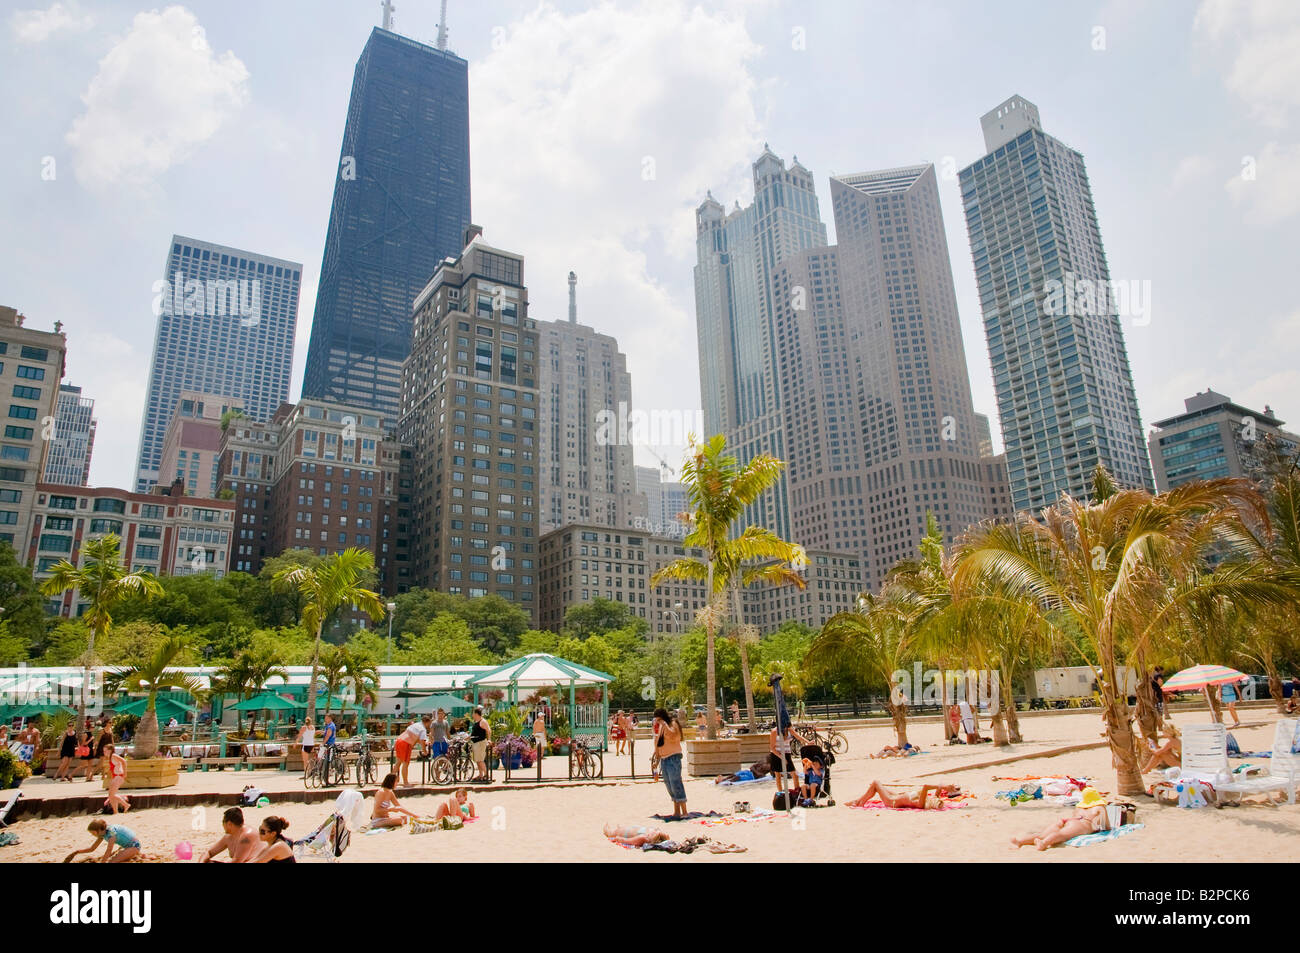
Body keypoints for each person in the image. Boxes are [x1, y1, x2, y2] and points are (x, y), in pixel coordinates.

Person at [1010, 799, 1109, 851]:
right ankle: (1043, 844)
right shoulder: (1099, 807)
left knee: (1042, 834)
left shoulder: (1080, 806)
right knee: (1062, 835)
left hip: (1068, 820)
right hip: (1080, 824)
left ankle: (1020, 841)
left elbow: (1074, 816)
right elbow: (1106, 826)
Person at [654, 707, 687, 817]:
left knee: (676, 783)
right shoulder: (661, 727)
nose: (657, 722)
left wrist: (665, 725)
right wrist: (656, 759)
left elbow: (674, 736)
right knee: (670, 785)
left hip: (673, 758)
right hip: (664, 759)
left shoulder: (672, 724)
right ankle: (676, 811)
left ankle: (684, 811)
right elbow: (659, 743)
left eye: (659, 720)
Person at [65, 819, 141, 863]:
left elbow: (109, 850)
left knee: (112, 862)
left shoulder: (111, 832)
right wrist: (77, 852)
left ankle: (136, 853)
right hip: (127, 847)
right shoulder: (102, 834)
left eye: (93, 833)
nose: (93, 835)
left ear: (99, 830)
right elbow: (92, 848)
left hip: (134, 846)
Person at [847, 781, 962, 810]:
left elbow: (926, 786)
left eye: (935, 799)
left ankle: (860, 802)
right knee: (876, 786)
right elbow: (939, 787)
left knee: (876, 783)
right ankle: (858, 801)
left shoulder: (921, 803)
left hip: (891, 801)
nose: (935, 798)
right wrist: (947, 786)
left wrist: (942, 786)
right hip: (896, 796)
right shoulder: (930, 799)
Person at [394, 715, 432, 787]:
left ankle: (390, 782)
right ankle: (405, 783)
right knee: (405, 763)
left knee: (398, 763)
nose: (429, 725)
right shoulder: (423, 729)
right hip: (406, 743)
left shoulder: (416, 725)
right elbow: (422, 741)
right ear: (427, 722)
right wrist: (425, 751)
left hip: (399, 740)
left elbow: (415, 737)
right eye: (429, 723)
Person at [103, 743, 130, 814]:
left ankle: (126, 805)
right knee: (111, 795)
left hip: (119, 776)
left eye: (105, 751)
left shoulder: (114, 755)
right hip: (116, 776)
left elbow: (124, 761)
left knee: (112, 795)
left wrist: (125, 773)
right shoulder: (111, 757)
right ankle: (115, 811)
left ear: (110, 750)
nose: (104, 753)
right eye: (104, 751)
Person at [470, 707, 491, 782]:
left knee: (480, 759)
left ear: (476, 714)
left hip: (481, 742)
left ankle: (486, 775)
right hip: (475, 743)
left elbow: (488, 730)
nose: (472, 715)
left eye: (473, 713)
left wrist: (489, 740)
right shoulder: (476, 722)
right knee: (478, 760)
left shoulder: (482, 721)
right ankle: (481, 775)